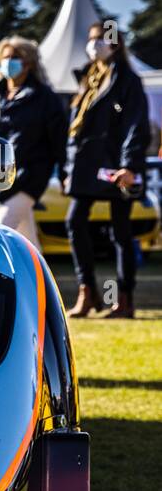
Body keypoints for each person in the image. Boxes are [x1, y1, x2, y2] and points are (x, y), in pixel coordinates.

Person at [64, 21, 150, 318]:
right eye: (91, 39)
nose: (94, 44)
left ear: (114, 42)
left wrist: (129, 165)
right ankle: (88, 293)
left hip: (115, 165)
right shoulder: (89, 77)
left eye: (100, 39)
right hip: (86, 165)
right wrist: (68, 168)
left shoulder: (127, 80)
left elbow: (135, 126)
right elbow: (75, 129)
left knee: (121, 232)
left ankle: (123, 300)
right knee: (75, 221)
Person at [0, 36, 66, 248]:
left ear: (28, 63)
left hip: (29, 176)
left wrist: (66, 173)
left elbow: (59, 139)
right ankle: (40, 278)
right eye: (5, 58)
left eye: (15, 58)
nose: (8, 62)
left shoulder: (45, 98)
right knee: (28, 242)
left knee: (2, 231)